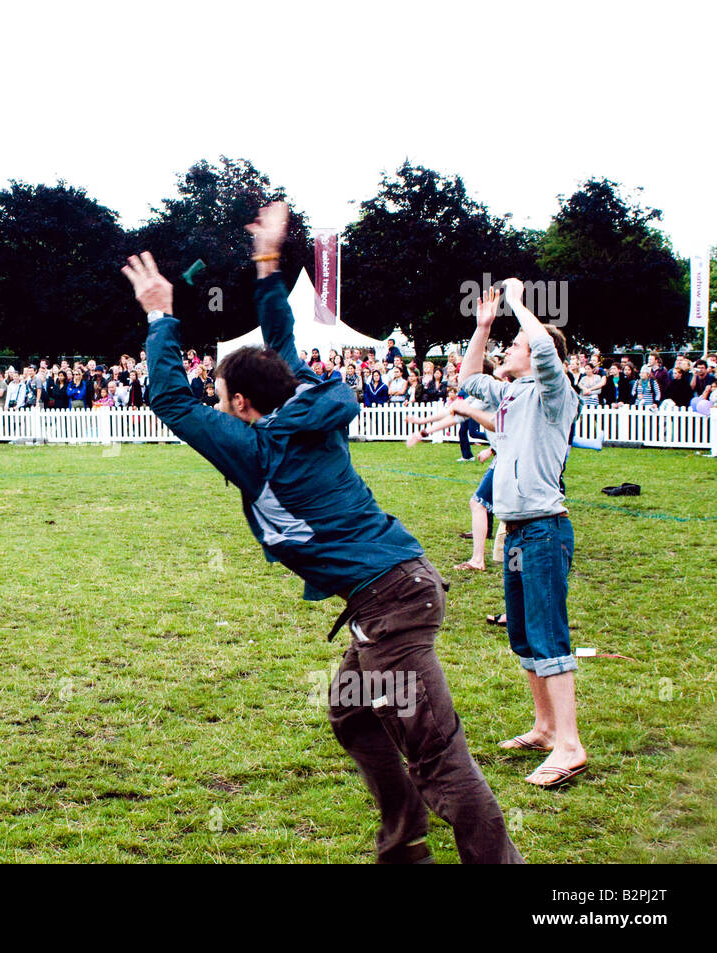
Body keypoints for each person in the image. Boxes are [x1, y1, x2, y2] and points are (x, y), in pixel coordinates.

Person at [121, 201, 520, 864]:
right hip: (391, 594)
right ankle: (404, 845)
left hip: (392, 607)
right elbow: (280, 339)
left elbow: (168, 398)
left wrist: (162, 314)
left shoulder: (260, 447)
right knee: (352, 711)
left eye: (224, 401)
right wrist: (268, 265)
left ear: (242, 406)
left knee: (440, 758)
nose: (222, 410)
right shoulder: (305, 396)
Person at [459, 280, 585, 790]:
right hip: (516, 536)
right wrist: (483, 326)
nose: (504, 352)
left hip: (544, 533)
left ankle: (570, 746)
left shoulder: (555, 395)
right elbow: (468, 378)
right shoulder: (511, 392)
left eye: (512, 345)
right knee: (525, 636)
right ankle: (544, 727)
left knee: (549, 635)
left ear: (537, 353)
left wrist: (515, 296)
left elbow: (545, 350)